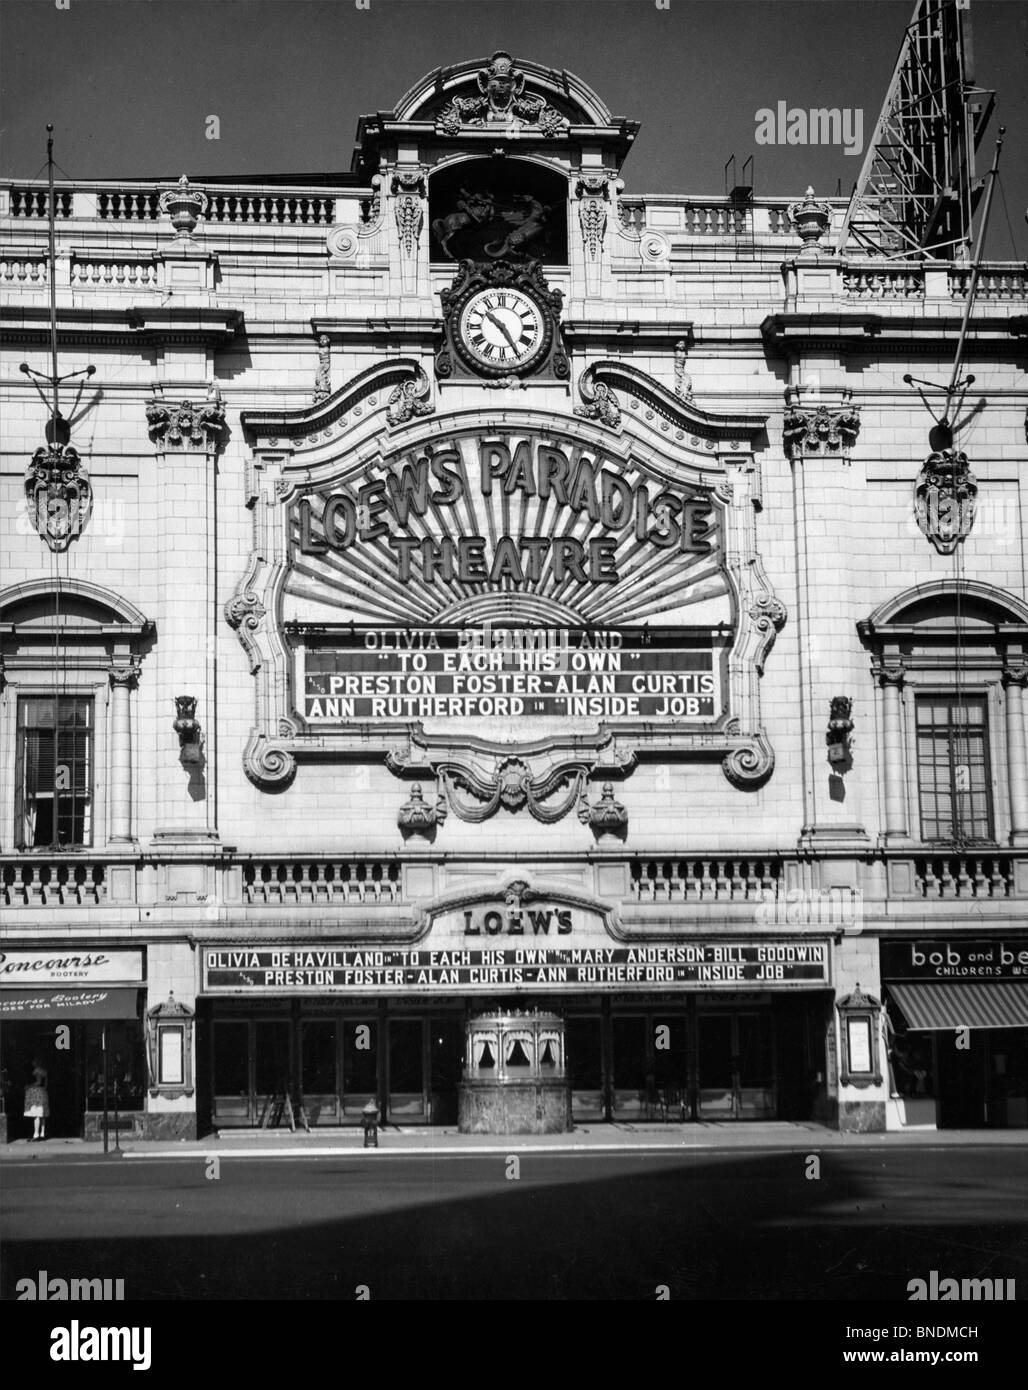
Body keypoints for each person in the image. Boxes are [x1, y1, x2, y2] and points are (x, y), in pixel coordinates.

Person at [24, 1058, 49, 1142]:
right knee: (42, 1115)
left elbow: (38, 1082)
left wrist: (29, 1086)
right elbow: (45, 1084)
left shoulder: (37, 1070)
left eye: (33, 1061)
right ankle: (42, 1134)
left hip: (37, 1093)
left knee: (36, 1115)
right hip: (43, 1093)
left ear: (36, 1062)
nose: (32, 1063)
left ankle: (36, 1134)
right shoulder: (45, 1071)